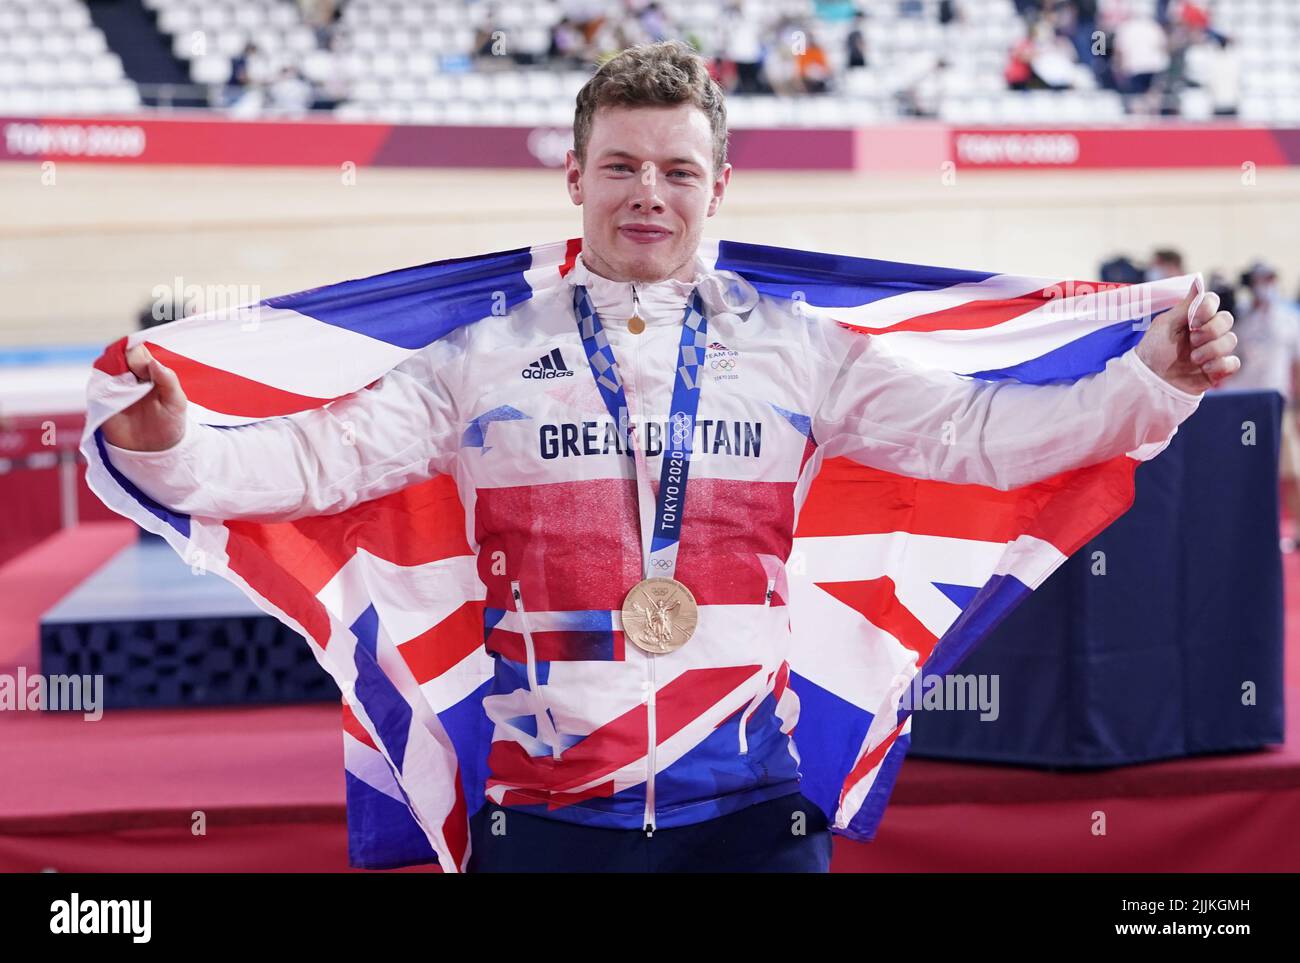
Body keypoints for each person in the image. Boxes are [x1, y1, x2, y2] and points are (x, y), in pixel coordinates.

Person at [98, 40, 1240, 873]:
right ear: (576, 179)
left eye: (678, 170)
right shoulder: (480, 357)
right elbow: (317, 461)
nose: (650, 192)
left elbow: (979, 440)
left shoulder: (797, 352)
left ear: (718, 188)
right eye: (623, 165)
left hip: (752, 808)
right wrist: (178, 449)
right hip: (543, 816)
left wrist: (1151, 383)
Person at [1224, 263, 1300, 550]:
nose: (1266, 285)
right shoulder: (1239, 316)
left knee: (1291, 471)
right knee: (1244, 472)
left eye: (1271, 278)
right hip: (1241, 405)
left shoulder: (1289, 319)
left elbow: (1296, 364)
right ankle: (1243, 532)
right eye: (1260, 280)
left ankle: (1297, 530)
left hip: (1278, 403)